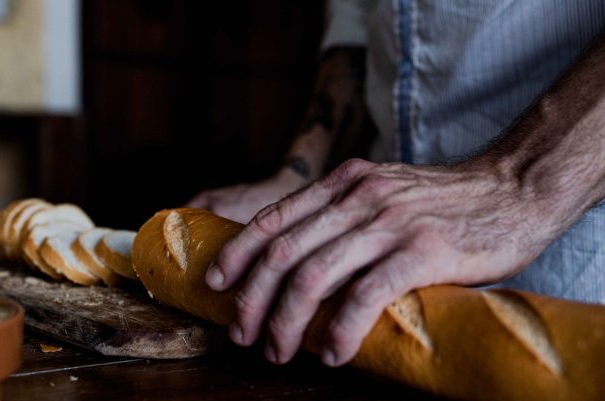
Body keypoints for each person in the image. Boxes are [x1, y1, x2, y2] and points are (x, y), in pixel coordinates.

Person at [187, 1, 605, 368]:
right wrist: (301, 172)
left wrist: (521, 183)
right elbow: (360, 13)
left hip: (570, 267)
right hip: (370, 274)